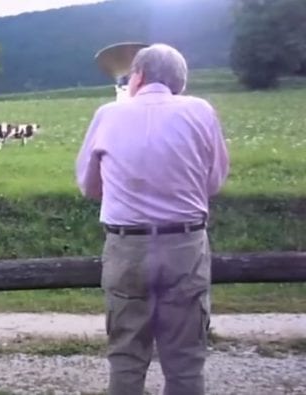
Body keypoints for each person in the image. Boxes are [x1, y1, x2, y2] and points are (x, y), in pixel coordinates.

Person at [75, 43, 230, 395]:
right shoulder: (201, 111)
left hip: (127, 246)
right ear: (181, 83)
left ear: (138, 76)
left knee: (127, 357)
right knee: (186, 361)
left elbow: (88, 186)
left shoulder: (108, 115)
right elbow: (214, 182)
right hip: (185, 245)